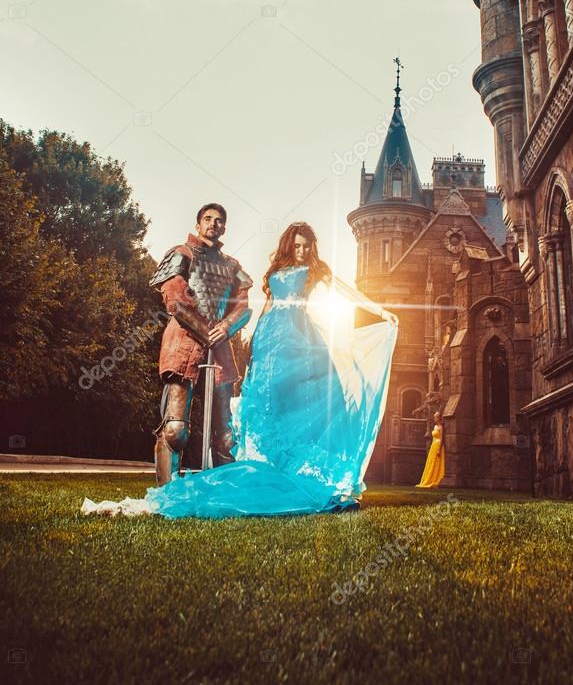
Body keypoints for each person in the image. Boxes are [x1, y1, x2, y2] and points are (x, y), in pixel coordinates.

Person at [81, 221, 398, 519]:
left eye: (307, 246)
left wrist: (378, 309)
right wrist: (259, 342)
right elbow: (269, 305)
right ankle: (281, 466)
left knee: (315, 399)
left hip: (301, 336)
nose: (302, 250)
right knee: (271, 406)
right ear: (289, 245)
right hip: (272, 336)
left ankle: (301, 468)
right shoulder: (276, 270)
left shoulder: (317, 270)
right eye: (297, 245)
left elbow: (343, 290)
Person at [148, 203, 253, 485]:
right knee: (175, 429)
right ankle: (167, 492)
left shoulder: (232, 266)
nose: (213, 224)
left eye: (219, 220)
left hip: (219, 348)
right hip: (183, 344)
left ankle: (223, 492)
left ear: (224, 227)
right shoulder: (182, 254)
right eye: (208, 219)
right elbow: (176, 301)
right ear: (198, 224)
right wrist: (206, 331)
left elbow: (243, 307)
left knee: (225, 435)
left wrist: (226, 327)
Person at [416, 411, 445, 488]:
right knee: (431, 462)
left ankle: (435, 479)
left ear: (438, 418)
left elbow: (441, 438)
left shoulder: (440, 427)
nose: (434, 418)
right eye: (434, 417)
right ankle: (429, 478)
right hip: (433, 445)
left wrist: (439, 449)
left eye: (435, 417)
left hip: (438, 445)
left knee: (436, 462)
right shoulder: (435, 426)